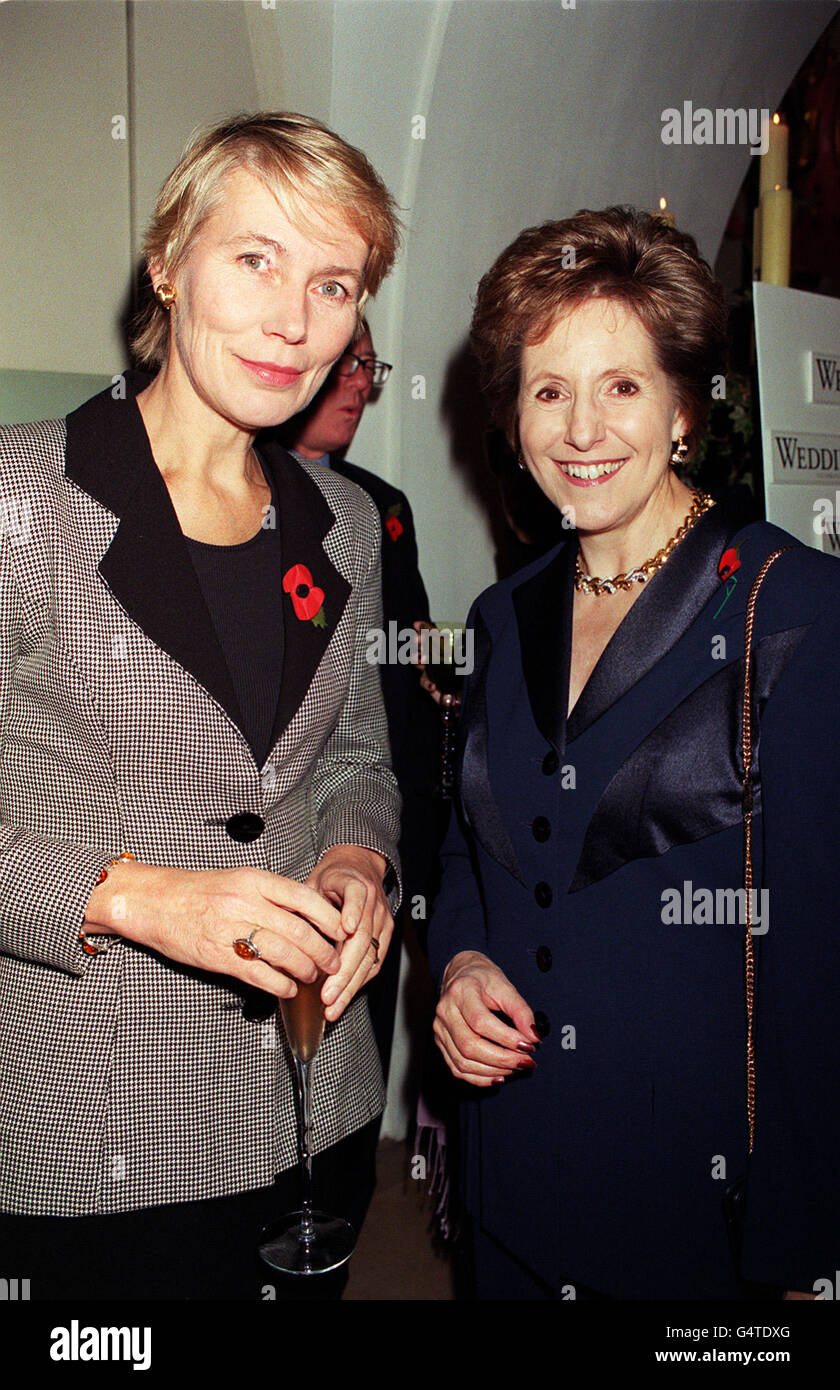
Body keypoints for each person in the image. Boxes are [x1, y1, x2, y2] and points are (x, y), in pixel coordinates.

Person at [0, 112, 402, 1300]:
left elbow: (357, 756)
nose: (296, 322)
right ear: (168, 260)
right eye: (257, 260)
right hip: (91, 1129)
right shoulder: (23, 496)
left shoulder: (343, 523)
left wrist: (360, 862)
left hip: (311, 1110)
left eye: (335, 283)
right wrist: (127, 898)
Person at [429, 206, 840, 1300]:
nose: (580, 429)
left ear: (681, 411)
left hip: (698, 1214)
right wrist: (460, 961)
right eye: (547, 389)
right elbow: (471, 850)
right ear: (512, 421)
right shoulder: (500, 613)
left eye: (621, 384)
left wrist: (802, 1248)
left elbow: (819, 955)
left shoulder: (789, 606)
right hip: (510, 1176)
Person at [278, 322, 441, 1082]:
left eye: (368, 369)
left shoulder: (381, 506)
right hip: (281, 817)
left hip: (376, 811)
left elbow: (402, 651)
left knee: (360, 1041)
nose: (357, 386)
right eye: (343, 366)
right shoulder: (244, 489)